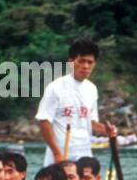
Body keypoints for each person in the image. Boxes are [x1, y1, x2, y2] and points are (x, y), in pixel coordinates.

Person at [36, 38, 115, 166]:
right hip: (61, 158)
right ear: (71, 61)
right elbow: (43, 121)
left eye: (90, 62)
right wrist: (57, 153)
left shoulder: (92, 89)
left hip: (84, 157)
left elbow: (90, 122)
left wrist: (106, 130)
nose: (86, 66)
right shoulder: (55, 87)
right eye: (82, 61)